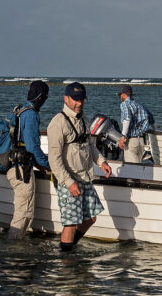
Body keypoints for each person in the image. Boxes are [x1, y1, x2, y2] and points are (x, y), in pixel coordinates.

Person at [46, 81, 113, 252]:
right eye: (75, 99)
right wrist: (69, 182)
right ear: (66, 99)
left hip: (85, 177)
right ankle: (66, 260)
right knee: (71, 223)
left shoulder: (84, 119)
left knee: (90, 218)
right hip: (68, 179)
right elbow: (54, 160)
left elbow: (91, 146)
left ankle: (69, 247)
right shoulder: (57, 123)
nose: (79, 103)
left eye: (82, 99)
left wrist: (101, 162)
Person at [6, 79, 53, 240]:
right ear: (41, 97)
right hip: (22, 171)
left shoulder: (20, 110)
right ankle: (14, 253)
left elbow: (21, 142)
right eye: (45, 97)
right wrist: (48, 165)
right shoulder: (31, 114)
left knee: (22, 210)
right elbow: (32, 147)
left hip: (14, 166)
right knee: (23, 213)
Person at [117, 84, 153, 164]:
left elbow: (127, 119)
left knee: (132, 170)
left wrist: (123, 137)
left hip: (131, 141)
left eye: (120, 95)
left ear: (123, 95)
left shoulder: (124, 104)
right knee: (139, 167)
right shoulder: (139, 105)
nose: (120, 97)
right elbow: (152, 120)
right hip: (141, 141)